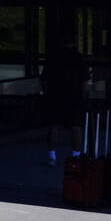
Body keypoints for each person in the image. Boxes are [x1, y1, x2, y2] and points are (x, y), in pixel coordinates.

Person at [42, 35, 88, 165]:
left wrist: (47, 94)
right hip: (74, 96)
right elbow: (84, 81)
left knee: (54, 126)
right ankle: (76, 155)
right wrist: (83, 98)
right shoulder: (78, 57)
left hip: (55, 95)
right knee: (76, 127)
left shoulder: (53, 57)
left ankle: (52, 155)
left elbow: (44, 80)